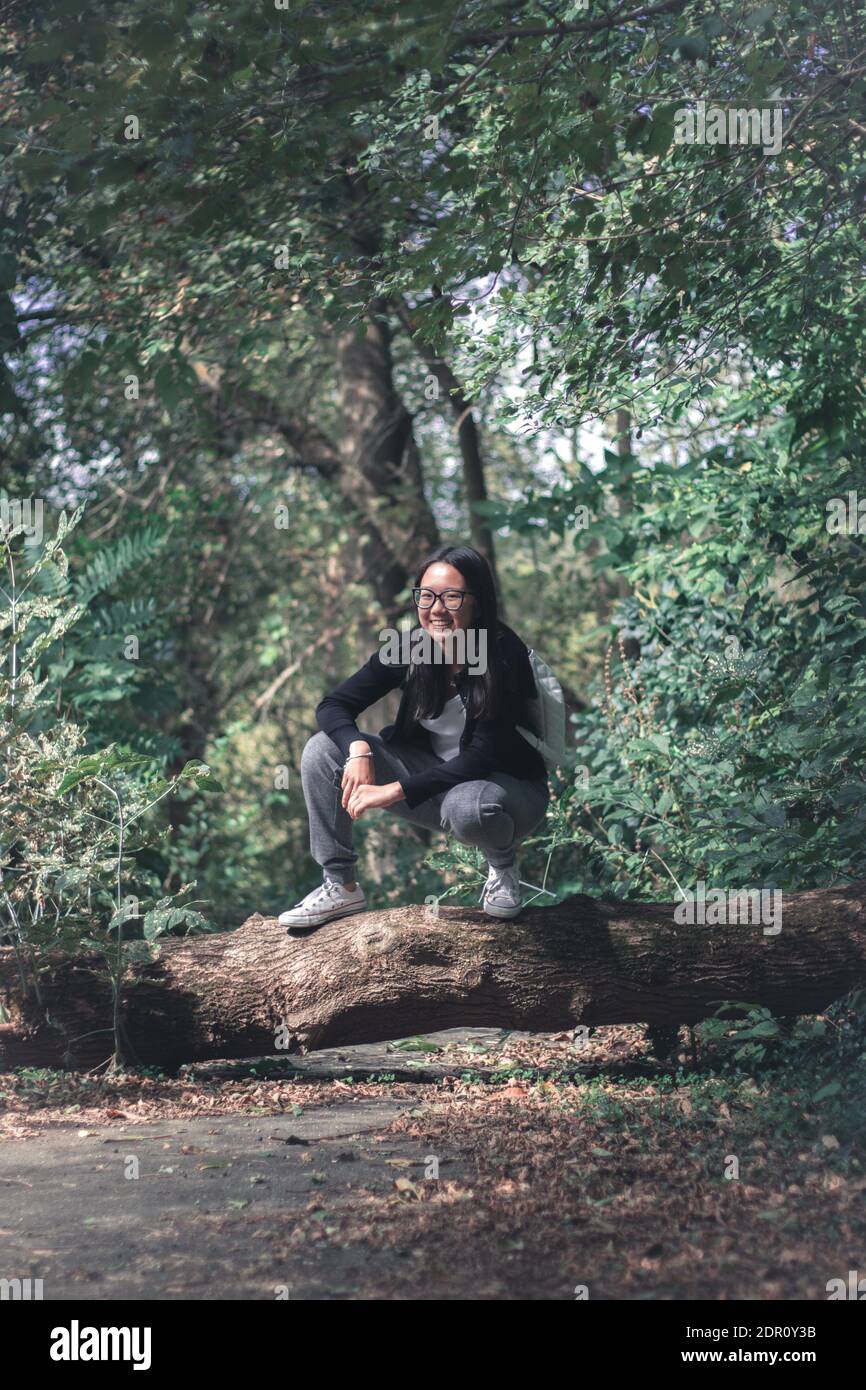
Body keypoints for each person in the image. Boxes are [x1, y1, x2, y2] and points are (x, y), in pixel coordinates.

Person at [279, 544, 549, 930]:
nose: (436, 608)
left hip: (504, 792)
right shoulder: (409, 649)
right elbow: (334, 704)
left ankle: (502, 867)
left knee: (468, 809)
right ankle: (341, 885)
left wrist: (391, 791)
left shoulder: (503, 656)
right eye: (426, 595)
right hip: (434, 782)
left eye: (452, 597)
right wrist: (357, 750)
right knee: (323, 749)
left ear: (478, 602)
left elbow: (479, 759)